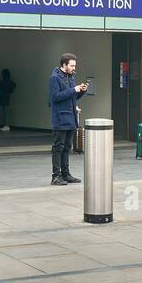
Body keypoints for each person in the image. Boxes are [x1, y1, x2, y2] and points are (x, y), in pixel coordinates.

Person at [48, 53, 88, 185]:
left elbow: (72, 97)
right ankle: (56, 176)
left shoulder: (71, 77)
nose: (73, 68)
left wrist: (81, 91)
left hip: (71, 118)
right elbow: (55, 97)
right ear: (64, 65)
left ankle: (66, 174)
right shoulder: (55, 78)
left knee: (67, 147)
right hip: (60, 118)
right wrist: (74, 90)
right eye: (71, 65)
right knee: (58, 147)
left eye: (74, 65)